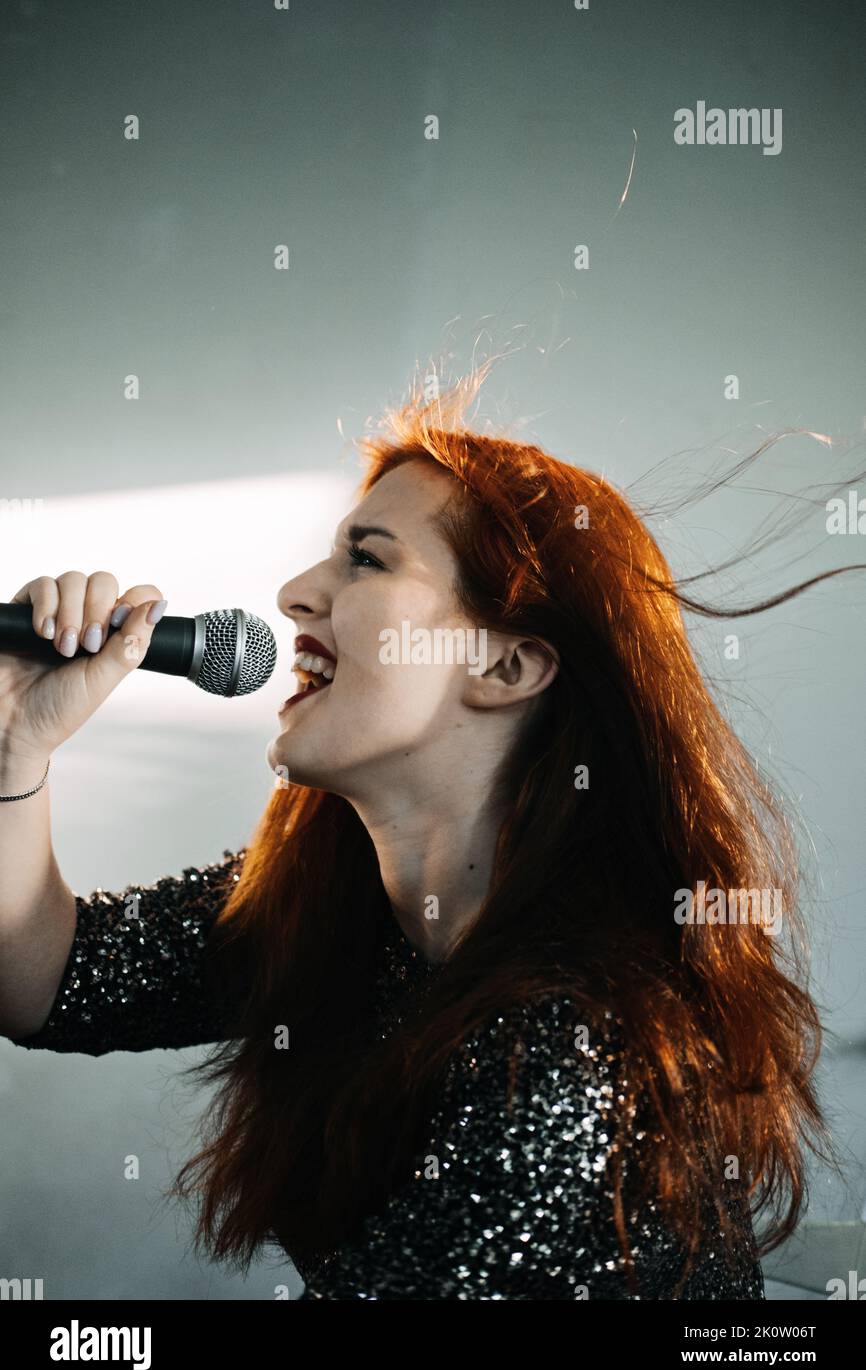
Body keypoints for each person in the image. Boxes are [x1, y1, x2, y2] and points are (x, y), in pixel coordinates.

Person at [0, 366, 849, 1300]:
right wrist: (15, 746)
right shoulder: (326, 899)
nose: (292, 594)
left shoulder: (566, 1044)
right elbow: (52, 981)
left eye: (365, 559)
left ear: (507, 664)